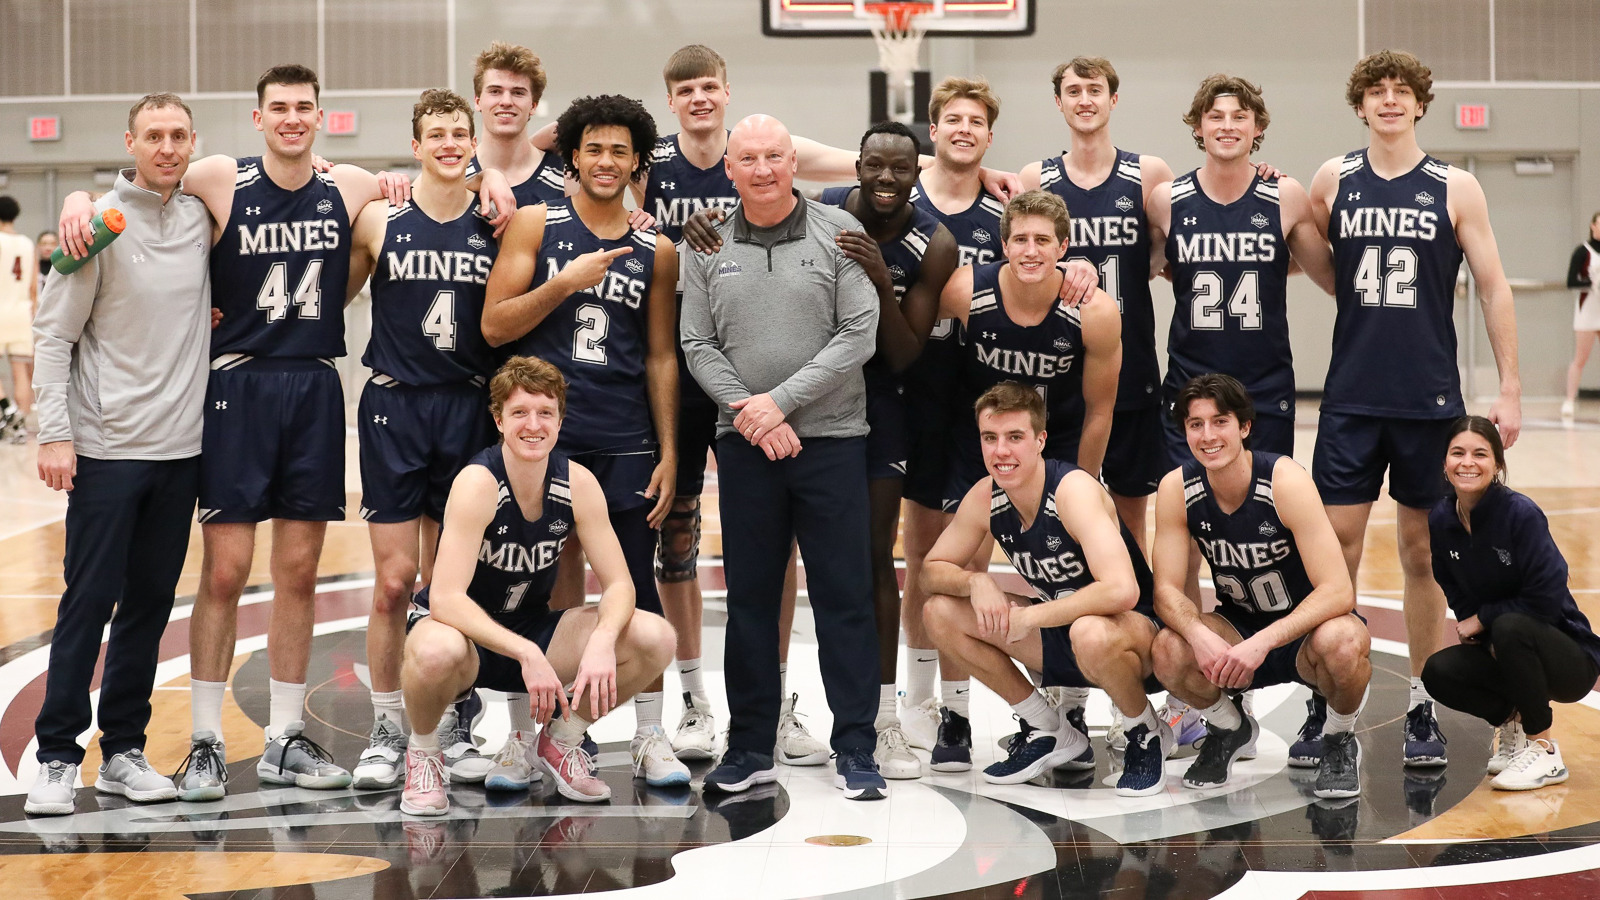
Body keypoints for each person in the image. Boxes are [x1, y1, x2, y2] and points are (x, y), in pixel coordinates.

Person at [57, 63, 514, 801]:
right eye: (280, 108)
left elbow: (441, 171)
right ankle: (206, 742)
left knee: (299, 573)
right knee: (227, 572)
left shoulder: (355, 186)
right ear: (259, 116)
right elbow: (144, 176)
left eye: (305, 108)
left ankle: (283, 741)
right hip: (239, 383)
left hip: (315, 384)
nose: (293, 118)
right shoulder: (219, 176)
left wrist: (491, 175)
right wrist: (81, 196)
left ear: (322, 118)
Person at [1308, 50, 1521, 767]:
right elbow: (1313, 256)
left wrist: (1512, 386)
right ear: (1360, 104)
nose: (1390, 101)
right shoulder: (1332, 180)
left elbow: (1493, 288)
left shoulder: (1455, 186)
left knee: (1421, 554)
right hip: (1350, 398)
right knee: (1334, 553)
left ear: (1420, 105)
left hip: (1430, 402)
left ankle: (1423, 705)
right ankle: (1330, 699)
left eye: (1402, 92)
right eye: (1377, 91)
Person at [679, 113, 886, 801]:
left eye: (774, 156)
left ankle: (856, 747)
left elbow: (860, 332)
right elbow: (697, 345)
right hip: (745, 449)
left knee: (844, 599)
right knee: (751, 602)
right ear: (729, 170)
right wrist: (750, 413)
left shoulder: (839, 234)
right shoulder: (705, 243)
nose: (763, 169)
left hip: (831, 443)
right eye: (749, 159)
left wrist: (779, 403)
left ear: (793, 162)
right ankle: (749, 747)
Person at [482, 93, 687, 788]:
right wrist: (562, 285)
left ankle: (647, 735)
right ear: (572, 154)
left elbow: (661, 354)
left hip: (624, 437)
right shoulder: (537, 223)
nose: (606, 161)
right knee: (545, 592)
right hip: (546, 439)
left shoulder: (656, 248)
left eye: (619, 152)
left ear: (637, 164)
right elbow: (494, 325)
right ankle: (528, 738)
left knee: (638, 586)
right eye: (594, 148)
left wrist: (669, 447)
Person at [24, 93, 211, 816]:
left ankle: (124, 751)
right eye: (152, 136)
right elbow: (52, 333)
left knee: (149, 609)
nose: (165, 148)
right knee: (87, 604)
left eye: (177, 136)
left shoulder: (200, 216)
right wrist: (55, 431)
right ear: (129, 141)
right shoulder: (96, 222)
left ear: (193, 142)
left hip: (181, 452)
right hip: (105, 450)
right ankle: (57, 756)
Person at [398, 356, 676, 814]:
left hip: (532, 627)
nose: (533, 425)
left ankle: (561, 742)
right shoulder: (478, 482)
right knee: (434, 650)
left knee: (654, 636)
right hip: (464, 635)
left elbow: (621, 585)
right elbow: (445, 597)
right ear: (498, 420)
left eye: (545, 413)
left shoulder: (577, 482)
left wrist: (604, 639)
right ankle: (423, 753)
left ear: (561, 421)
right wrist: (525, 652)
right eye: (520, 413)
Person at [343, 89, 502, 790]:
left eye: (458, 133)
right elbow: (332, 287)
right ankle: (385, 727)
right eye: (435, 133)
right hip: (394, 408)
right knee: (391, 582)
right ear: (414, 144)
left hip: (466, 407)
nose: (447, 143)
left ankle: (452, 721)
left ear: (472, 142)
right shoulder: (382, 215)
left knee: (451, 586)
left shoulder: (494, 220)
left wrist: (491, 179)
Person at [921, 382, 1174, 796]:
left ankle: (1146, 732)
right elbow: (930, 570)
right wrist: (975, 580)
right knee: (939, 612)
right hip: (1063, 633)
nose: (1001, 451)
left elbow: (1122, 590)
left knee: (1088, 630)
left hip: (1134, 641)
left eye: (1015, 438)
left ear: (1040, 440)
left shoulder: (1072, 490)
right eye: (991, 438)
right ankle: (1046, 727)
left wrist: (1032, 615)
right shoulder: (986, 496)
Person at [1150, 374, 1371, 799]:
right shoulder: (1177, 488)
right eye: (1196, 425)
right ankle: (1228, 728)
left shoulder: (1284, 480)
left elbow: (1339, 591)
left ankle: (1340, 738)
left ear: (1245, 427)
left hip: (1305, 634)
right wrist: (1198, 634)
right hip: (1239, 628)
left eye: (1220, 422)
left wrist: (1265, 642)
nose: (1208, 435)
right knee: (1168, 648)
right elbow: (1166, 591)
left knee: (1345, 641)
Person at [817, 121, 959, 779]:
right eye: (874, 165)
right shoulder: (819, 215)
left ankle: (882, 720)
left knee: (876, 559)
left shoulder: (933, 242)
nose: (884, 179)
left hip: (881, 408)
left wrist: (878, 278)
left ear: (916, 173)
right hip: (812, 402)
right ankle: (798, 714)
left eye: (899, 169)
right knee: (810, 561)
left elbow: (904, 355)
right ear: (859, 164)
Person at [1021, 56, 1172, 549]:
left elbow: (1168, 247)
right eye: (1073, 91)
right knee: (1061, 504)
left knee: (1131, 510)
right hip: (1060, 366)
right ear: (1058, 102)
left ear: (1113, 98)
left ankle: (1132, 615)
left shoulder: (1147, 173)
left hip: (1129, 361)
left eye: (1094, 89)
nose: (1084, 100)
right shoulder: (1036, 177)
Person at [1422, 415, 1600, 791]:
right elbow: (1449, 580)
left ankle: (1545, 750)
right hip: (1504, 645)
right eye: (1457, 453)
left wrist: (1482, 619)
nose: (1467, 463)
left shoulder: (1521, 514)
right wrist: (1475, 627)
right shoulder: (1441, 518)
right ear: (1444, 462)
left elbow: (1546, 600)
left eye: (1480, 454)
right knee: (1438, 671)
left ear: (1498, 464)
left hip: (1568, 658)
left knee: (1510, 624)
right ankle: (1513, 722)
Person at [0, 197, 35, 444]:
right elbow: (33, 286)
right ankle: (20, 422)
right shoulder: (26, 243)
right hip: (22, 312)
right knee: (21, 371)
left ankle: (6, 410)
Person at [1562, 211, 1600, 425]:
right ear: (1592, 226)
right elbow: (1570, 281)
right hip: (1588, 309)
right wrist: (1590, 284)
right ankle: (1569, 400)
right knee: (1581, 358)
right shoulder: (1582, 251)